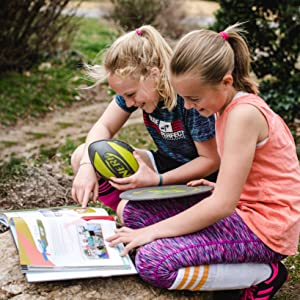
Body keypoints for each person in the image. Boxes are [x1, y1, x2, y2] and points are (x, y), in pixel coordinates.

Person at [107, 24, 300, 299]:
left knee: (152, 261)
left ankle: (264, 276)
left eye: (193, 98)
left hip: (266, 229)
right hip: (243, 211)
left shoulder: (243, 115)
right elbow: (247, 180)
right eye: (183, 98)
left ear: (226, 81)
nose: (186, 107)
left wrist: (152, 233)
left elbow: (223, 205)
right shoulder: (225, 108)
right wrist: (215, 188)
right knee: (132, 212)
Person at [71, 25, 220, 210]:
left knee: (128, 208)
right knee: (82, 155)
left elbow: (211, 160)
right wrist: (86, 165)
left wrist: (158, 180)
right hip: (164, 164)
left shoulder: (188, 100)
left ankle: (135, 213)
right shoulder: (135, 91)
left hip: (199, 180)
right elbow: (104, 126)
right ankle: (127, 211)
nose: (129, 103)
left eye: (131, 94)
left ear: (154, 74)